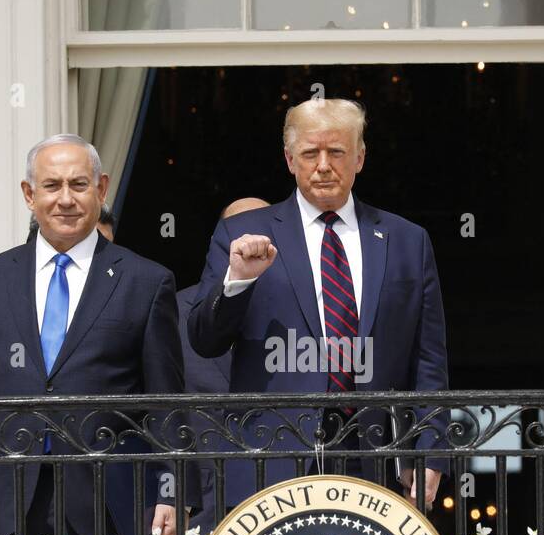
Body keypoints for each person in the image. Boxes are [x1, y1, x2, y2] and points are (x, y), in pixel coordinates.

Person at [0, 134, 184, 535]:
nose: (65, 199)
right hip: (2, 498)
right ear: (29, 194)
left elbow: (166, 403)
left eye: (78, 185)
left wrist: (171, 489)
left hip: (104, 502)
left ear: (101, 189)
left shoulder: (146, 282)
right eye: (51, 185)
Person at [187, 99, 449, 509]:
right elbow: (205, 340)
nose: (323, 165)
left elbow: (428, 360)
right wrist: (238, 280)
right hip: (268, 458)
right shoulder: (241, 233)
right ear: (290, 159)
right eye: (310, 153)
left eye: (337, 152)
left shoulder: (406, 240)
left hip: (371, 457)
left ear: (359, 158)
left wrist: (431, 451)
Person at [175, 198, 268, 534]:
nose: (250, 242)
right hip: (199, 509)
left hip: (279, 501)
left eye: (263, 231)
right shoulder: (175, 311)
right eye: (240, 232)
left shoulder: (307, 315)